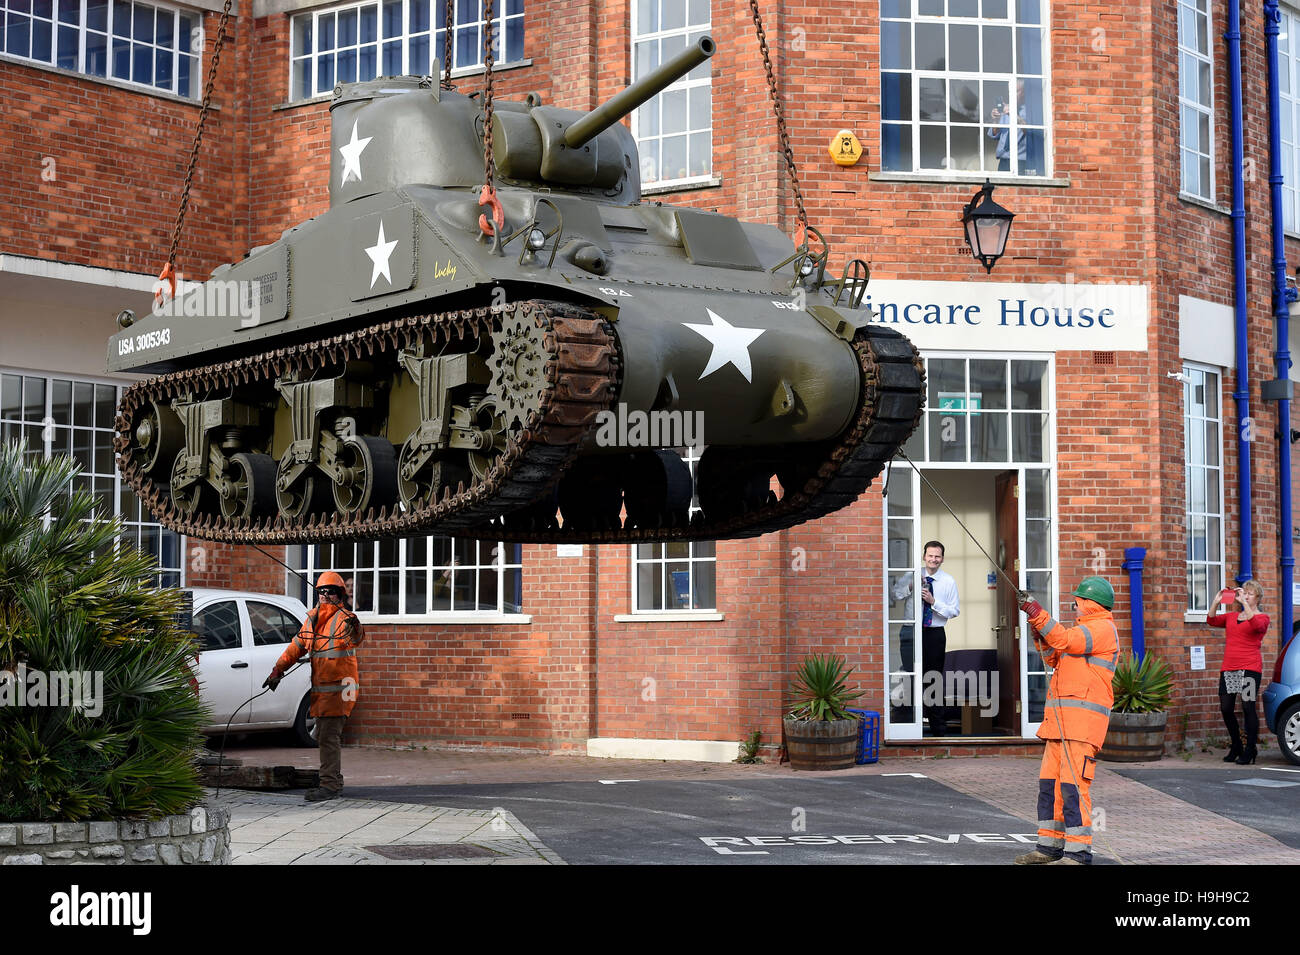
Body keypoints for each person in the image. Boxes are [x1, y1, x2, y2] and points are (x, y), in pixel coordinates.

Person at [1015, 576, 1118, 865]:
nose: (1075, 605)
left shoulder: (1101, 630)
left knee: (1073, 789)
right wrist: (1039, 632)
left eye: (1078, 601)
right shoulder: (1084, 630)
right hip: (1061, 725)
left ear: (1090, 603)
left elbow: (1063, 640)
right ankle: (1048, 848)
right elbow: (1053, 656)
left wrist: (1038, 613)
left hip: (1081, 727)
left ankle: (1077, 853)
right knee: (1050, 787)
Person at [263, 571, 365, 802]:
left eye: (330, 591)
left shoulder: (345, 619)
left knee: (328, 737)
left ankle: (329, 786)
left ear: (340, 595)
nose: (325, 595)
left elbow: (357, 637)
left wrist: (355, 625)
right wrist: (278, 670)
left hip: (340, 691)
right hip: (322, 692)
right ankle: (331, 780)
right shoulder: (312, 620)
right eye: (321, 591)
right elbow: (295, 647)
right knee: (325, 736)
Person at [891, 541, 960, 735]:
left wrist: (933, 602)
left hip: (934, 633)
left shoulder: (948, 581)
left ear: (942, 559)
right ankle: (906, 725)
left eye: (937, 556)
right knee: (909, 676)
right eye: (930, 555)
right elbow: (894, 594)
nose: (933, 559)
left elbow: (954, 611)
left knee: (933, 679)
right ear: (924, 556)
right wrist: (910, 587)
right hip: (910, 631)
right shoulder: (911, 575)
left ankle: (938, 728)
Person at [1208, 581, 1268, 765]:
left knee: (1248, 707)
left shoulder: (1262, 617)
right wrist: (1216, 602)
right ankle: (1236, 746)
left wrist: (1243, 604)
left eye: (1250, 594)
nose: (1246, 596)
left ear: (1257, 598)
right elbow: (1211, 620)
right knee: (1226, 708)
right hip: (1230, 669)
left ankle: (1250, 749)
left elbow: (1257, 626)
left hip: (1249, 669)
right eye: (1245, 593)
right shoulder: (1232, 617)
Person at [988, 81, 1027, 172]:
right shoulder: (1004, 111)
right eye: (1011, 92)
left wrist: (1013, 114)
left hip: (1021, 160)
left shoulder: (1029, 111)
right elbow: (994, 135)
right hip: (1004, 160)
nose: (1012, 95)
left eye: (1017, 91)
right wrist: (995, 120)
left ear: (1024, 93)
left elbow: (1029, 132)